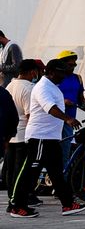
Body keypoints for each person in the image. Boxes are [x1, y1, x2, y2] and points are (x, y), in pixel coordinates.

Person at [9, 58, 85, 218]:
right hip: (40, 138)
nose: (64, 75)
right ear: (51, 72)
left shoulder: (53, 87)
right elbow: (49, 108)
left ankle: (68, 204)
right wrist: (68, 119)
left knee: (56, 173)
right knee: (29, 172)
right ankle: (16, 206)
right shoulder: (43, 87)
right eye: (61, 72)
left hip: (50, 138)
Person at [4, 60, 38, 209]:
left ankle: (12, 198)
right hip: (24, 136)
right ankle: (16, 202)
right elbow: (30, 115)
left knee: (10, 171)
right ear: (32, 72)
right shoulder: (29, 89)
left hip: (10, 136)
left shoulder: (10, 86)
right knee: (21, 172)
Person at [53, 50, 85, 170]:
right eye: (70, 65)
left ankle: (62, 181)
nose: (73, 67)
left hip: (69, 121)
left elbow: (81, 99)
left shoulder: (77, 78)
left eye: (74, 65)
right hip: (54, 120)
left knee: (64, 153)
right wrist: (63, 101)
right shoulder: (55, 78)